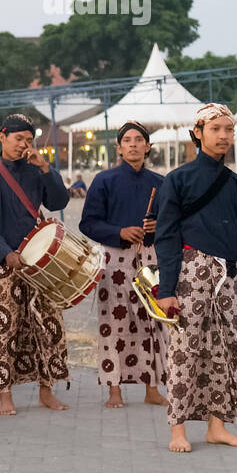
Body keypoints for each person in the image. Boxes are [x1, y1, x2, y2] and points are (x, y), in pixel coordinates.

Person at [154, 104, 237, 452]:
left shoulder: (236, 185)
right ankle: (177, 430)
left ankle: (216, 427)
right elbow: (166, 237)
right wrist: (166, 289)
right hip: (191, 274)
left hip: (229, 278)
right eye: (216, 129)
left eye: (229, 130)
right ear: (198, 133)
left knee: (223, 351)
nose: (223, 136)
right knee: (185, 350)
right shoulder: (178, 180)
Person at [0, 114, 71, 415]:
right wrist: (3, 253)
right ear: (2, 138)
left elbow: (59, 202)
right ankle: (5, 393)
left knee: (49, 324)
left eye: (29, 140)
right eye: (19, 139)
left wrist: (46, 169)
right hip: (7, 263)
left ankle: (46, 389)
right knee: (7, 327)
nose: (24, 145)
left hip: (41, 262)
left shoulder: (36, 170)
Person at [78, 121, 167, 408]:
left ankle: (152, 387)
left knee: (153, 322)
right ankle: (113, 388)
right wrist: (119, 232)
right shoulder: (104, 180)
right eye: (126, 140)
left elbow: (174, 225)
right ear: (118, 147)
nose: (133, 144)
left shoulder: (161, 183)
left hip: (150, 258)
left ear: (148, 146)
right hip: (114, 260)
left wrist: (157, 226)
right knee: (114, 323)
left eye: (138, 140)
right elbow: (87, 223)